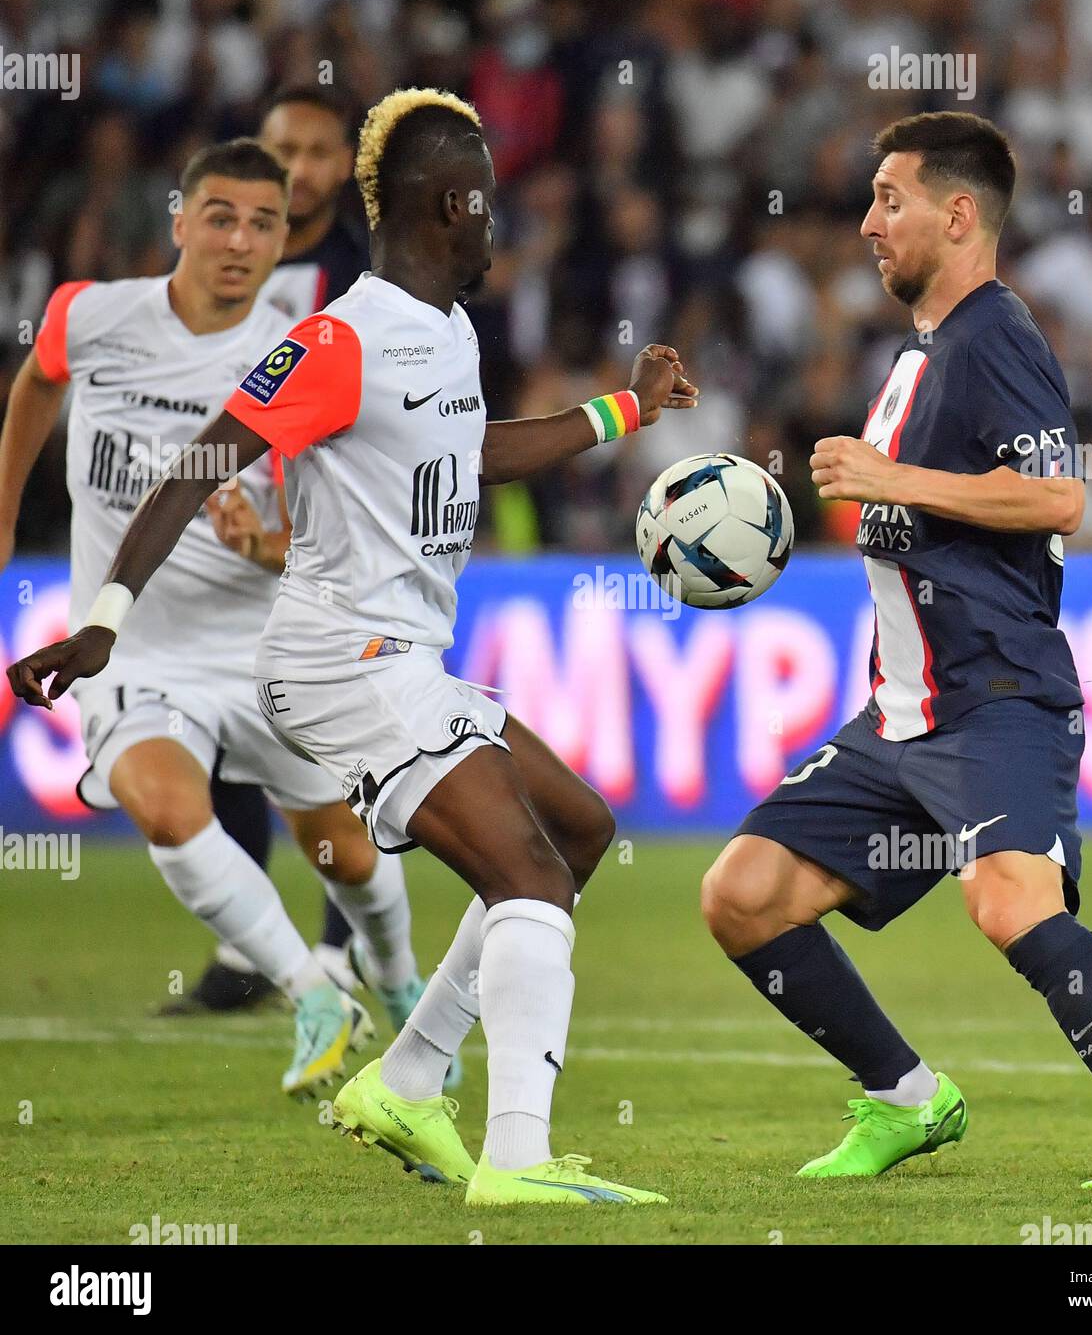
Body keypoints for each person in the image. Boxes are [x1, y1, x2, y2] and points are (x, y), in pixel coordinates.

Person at [7, 88, 700, 1205]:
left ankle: (409, 1080)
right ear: (443, 202)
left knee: (575, 832)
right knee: (523, 872)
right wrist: (101, 621)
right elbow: (195, 465)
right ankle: (517, 1160)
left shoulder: (450, 331)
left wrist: (624, 414)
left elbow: (471, 453)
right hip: (341, 660)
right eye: (484, 199)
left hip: (406, 659)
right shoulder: (337, 340)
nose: (496, 223)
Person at [700, 112, 1092, 1192]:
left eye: (887, 199)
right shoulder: (920, 350)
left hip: (995, 693)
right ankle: (907, 1098)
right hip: (899, 711)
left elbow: (1056, 496)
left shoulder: (995, 334)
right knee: (740, 894)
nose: (865, 223)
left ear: (956, 214)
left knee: (1006, 900)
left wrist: (893, 481)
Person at [0, 138, 428, 1097]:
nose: (241, 240)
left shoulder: (300, 351)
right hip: (135, 647)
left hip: (265, 641)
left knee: (348, 855)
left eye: (264, 223)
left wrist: (268, 549)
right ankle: (310, 989)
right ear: (180, 220)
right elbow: (35, 387)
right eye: (222, 217)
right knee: (163, 805)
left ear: (287, 238)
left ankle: (397, 982)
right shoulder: (90, 315)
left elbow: (346, 514)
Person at [186, 84, 373, 1015]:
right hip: (221, 535)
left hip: (324, 541)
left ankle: (345, 947)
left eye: (316, 152)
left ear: (346, 167)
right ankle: (246, 948)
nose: (298, 169)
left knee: (334, 747)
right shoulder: (217, 267)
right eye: (281, 149)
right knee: (227, 748)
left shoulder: (361, 280)